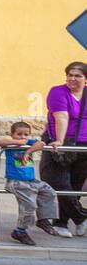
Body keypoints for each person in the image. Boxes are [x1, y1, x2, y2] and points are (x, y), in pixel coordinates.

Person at [0, 121, 69, 244]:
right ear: (12, 134)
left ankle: (43, 219)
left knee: (49, 192)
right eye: (19, 134)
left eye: (26, 134)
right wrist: (18, 142)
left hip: (31, 181)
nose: (23, 137)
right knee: (29, 204)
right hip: (16, 182)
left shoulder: (29, 144)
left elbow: (41, 143)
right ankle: (20, 231)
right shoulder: (11, 145)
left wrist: (28, 152)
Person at [42, 60, 87, 236]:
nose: (73, 79)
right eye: (70, 75)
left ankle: (61, 223)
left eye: (78, 76)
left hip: (84, 145)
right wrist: (59, 140)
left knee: (74, 185)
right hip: (58, 142)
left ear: (85, 79)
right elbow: (61, 117)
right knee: (56, 180)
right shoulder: (58, 92)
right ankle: (81, 216)